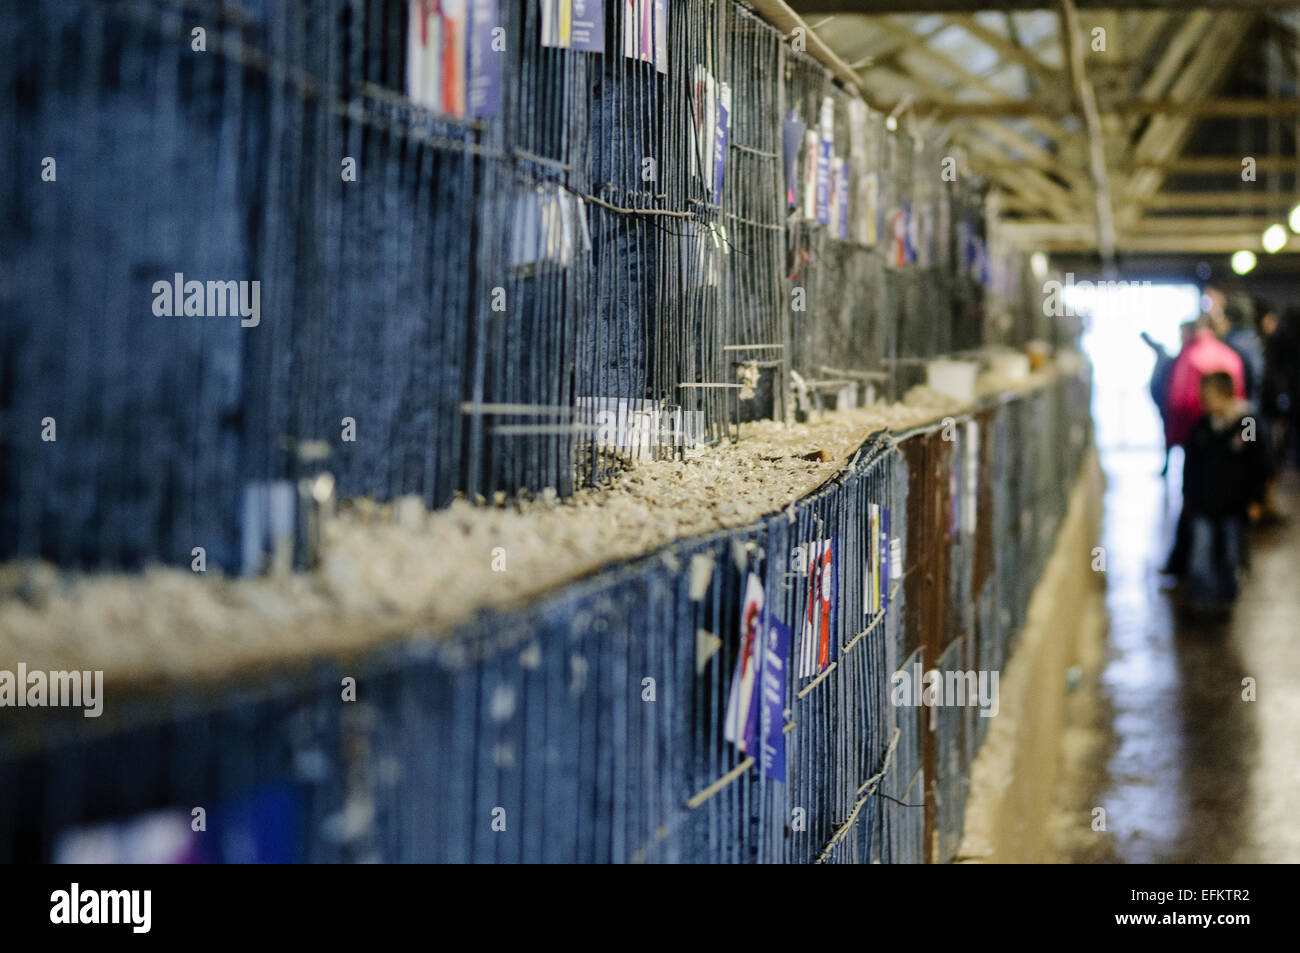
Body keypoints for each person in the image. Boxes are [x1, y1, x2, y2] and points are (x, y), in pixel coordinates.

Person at [1160, 307, 1246, 576]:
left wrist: (1175, 439)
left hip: (1198, 444)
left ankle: (1197, 579)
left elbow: (1177, 401)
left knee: (1200, 523)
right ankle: (1227, 578)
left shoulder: (1189, 358)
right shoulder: (1231, 357)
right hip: (1228, 469)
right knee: (1228, 531)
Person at [1180, 372, 1269, 613]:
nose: (1203, 402)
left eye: (1208, 397)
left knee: (1231, 554)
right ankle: (1203, 600)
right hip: (1204, 504)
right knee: (1201, 553)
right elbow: (1191, 466)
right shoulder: (1202, 427)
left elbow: (1256, 463)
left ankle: (1226, 599)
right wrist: (1188, 496)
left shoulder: (1245, 424)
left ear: (1225, 395)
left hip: (1233, 504)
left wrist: (1255, 499)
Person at [1142, 322, 1195, 475]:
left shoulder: (1187, 360)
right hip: (1169, 407)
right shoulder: (1174, 359)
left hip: (1180, 410)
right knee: (1170, 437)